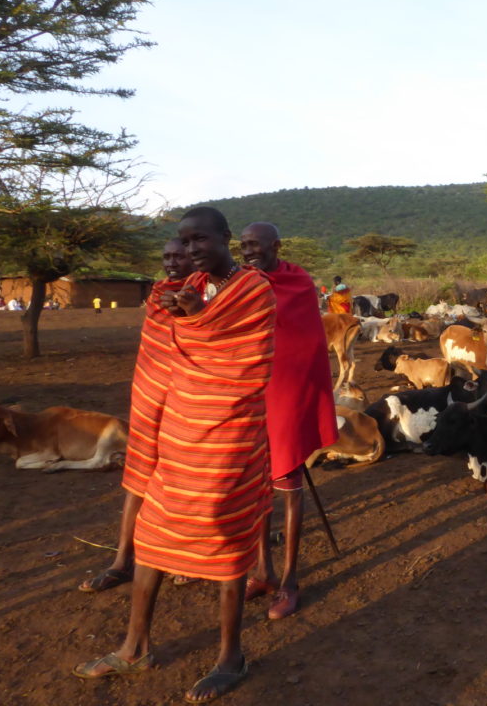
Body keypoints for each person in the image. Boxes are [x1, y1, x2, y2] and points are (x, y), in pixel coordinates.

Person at [74, 207, 277, 703]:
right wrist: (184, 312)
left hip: (228, 429)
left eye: (199, 240)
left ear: (225, 237)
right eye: (183, 243)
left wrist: (195, 319)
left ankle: (231, 656)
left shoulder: (252, 290)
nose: (189, 251)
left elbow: (243, 356)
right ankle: (134, 646)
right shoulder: (195, 287)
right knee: (153, 528)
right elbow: (175, 343)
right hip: (181, 428)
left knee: (223, 530)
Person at [78, 238, 195, 594]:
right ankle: (121, 560)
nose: (171, 262)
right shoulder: (158, 294)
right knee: (138, 477)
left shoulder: (209, 297)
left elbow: (211, 345)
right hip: (149, 398)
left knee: (187, 481)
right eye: (166, 256)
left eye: (179, 256)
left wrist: (195, 311)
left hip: (189, 402)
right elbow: (155, 350)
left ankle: (185, 557)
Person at [239, 222, 339, 619]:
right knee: (259, 490)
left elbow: (306, 342)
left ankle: (290, 581)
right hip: (254, 395)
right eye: (243, 246)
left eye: (256, 245)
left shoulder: (298, 281)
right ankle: (263, 570)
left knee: (289, 488)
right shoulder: (241, 282)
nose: (249, 252)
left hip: (290, 396)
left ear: (276, 246)